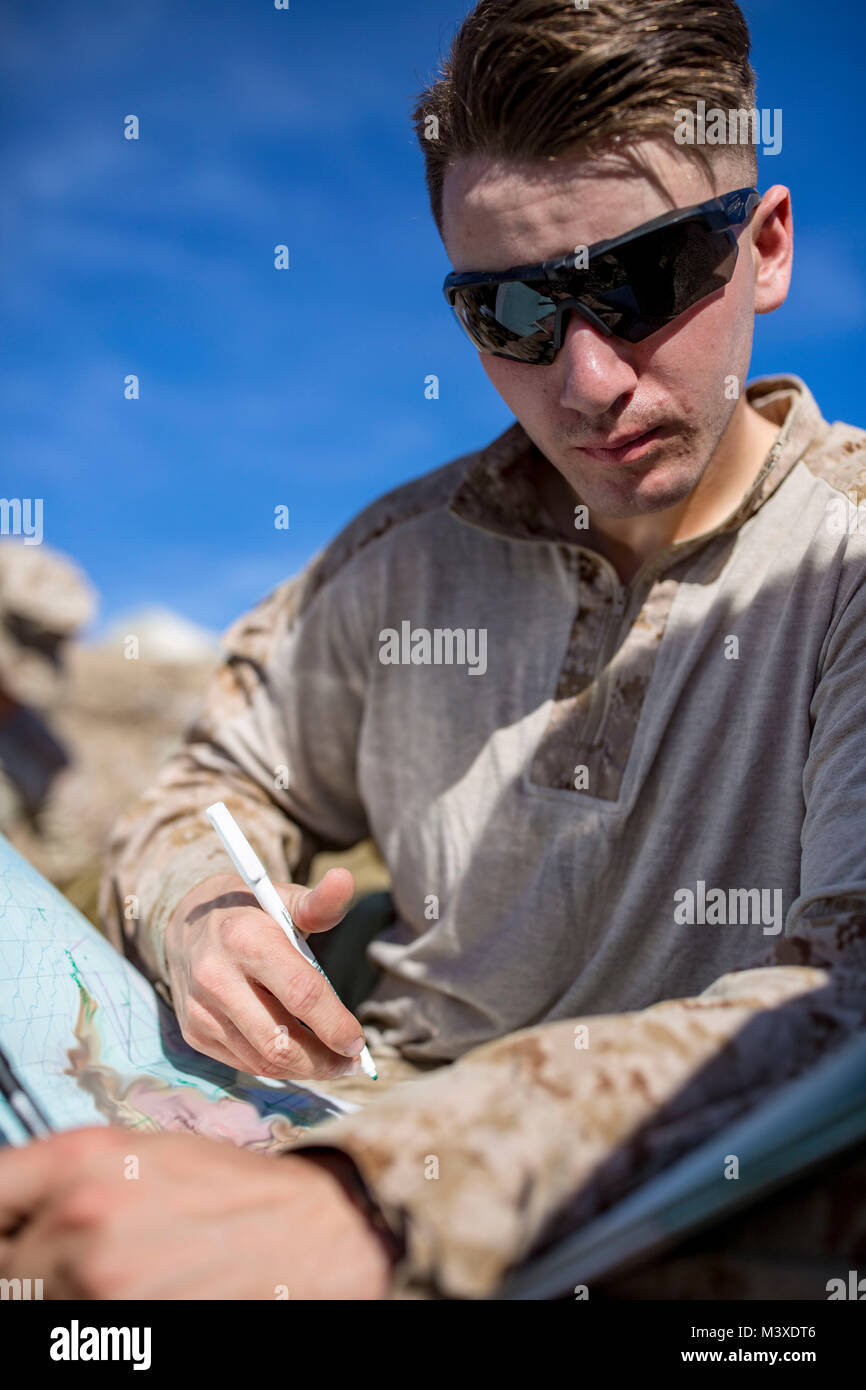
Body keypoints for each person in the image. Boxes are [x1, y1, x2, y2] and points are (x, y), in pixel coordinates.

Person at [2, 0, 865, 1301]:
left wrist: (389, 1197)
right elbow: (206, 786)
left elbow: (848, 1006)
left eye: (635, 282)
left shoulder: (846, 558)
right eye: (513, 311)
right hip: (285, 1145)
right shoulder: (398, 561)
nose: (583, 381)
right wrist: (206, 913)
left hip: (653, 1227)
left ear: (766, 245)